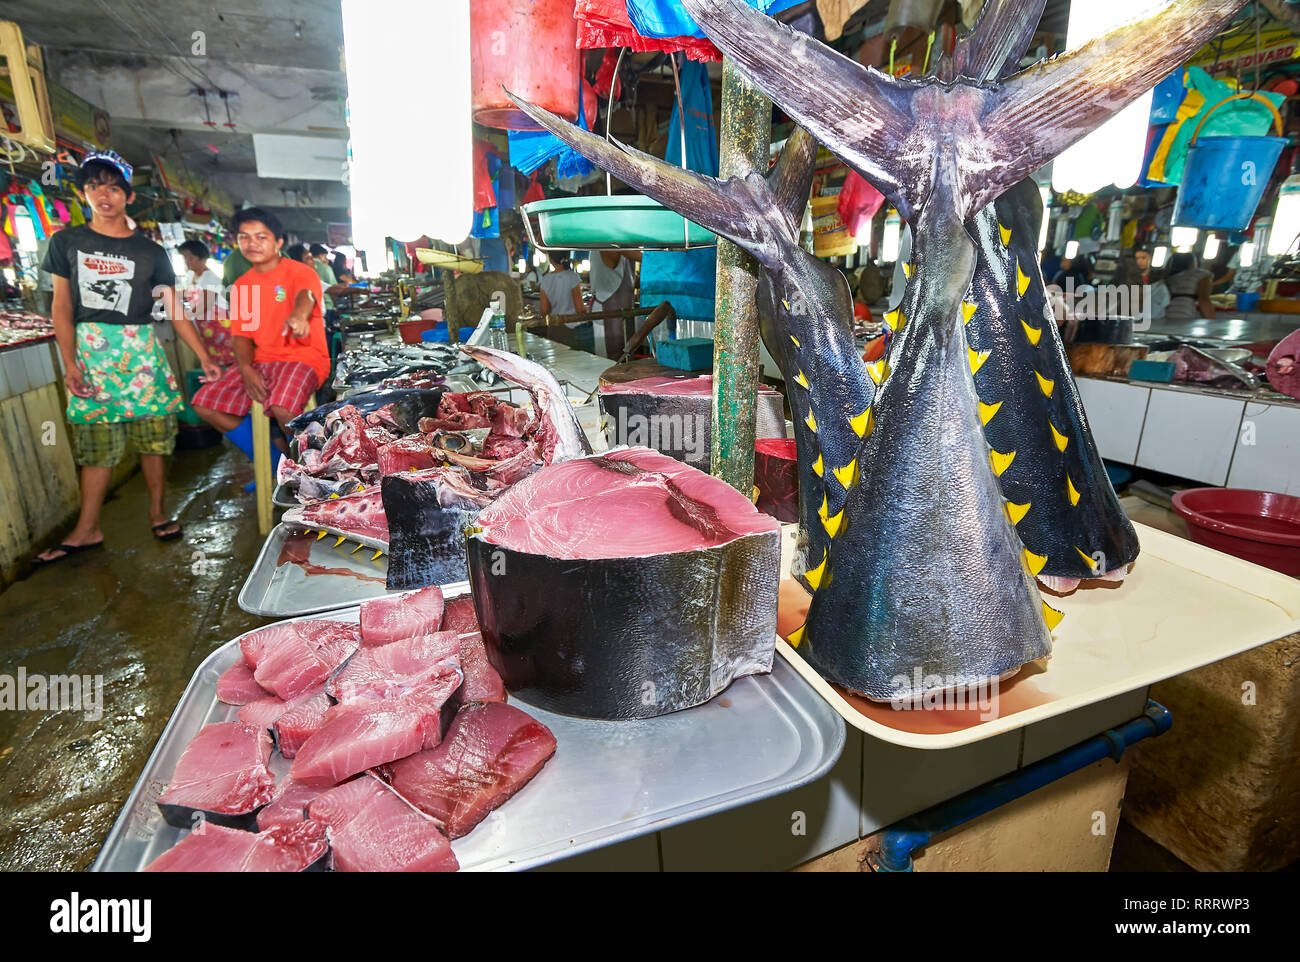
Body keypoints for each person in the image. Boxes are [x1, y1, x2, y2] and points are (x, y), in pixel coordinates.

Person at [35, 150, 221, 564]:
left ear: (127, 197)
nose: (104, 194)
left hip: (140, 351)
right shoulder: (66, 242)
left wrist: (204, 355)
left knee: (155, 440)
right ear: (84, 194)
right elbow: (61, 307)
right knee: (95, 444)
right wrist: (69, 362)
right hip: (90, 354)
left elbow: (174, 308)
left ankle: (158, 511)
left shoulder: (150, 251)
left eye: (113, 187)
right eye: (94, 186)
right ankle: (87, 528)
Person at [191, 207, 329, 453]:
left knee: (281, 407)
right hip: (260, 362)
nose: (251, 243)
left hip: (304, 359)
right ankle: (275, 461)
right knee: (204, 403)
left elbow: (305, 295)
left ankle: (314, 463)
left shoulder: (300, 272)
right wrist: (245, 368)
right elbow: (241, 336)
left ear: (278, 242)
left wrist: (298, 315)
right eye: (244, 237)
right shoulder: (243, 285)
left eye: (260, 237)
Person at [178, 239, 233, 368]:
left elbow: (204, 305)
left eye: (191, 257)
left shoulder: (210, 278)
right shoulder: (191, 278)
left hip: (220, 328)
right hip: (206, 329)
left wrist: (183, 318)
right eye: (185, 257)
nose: (187, 261)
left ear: (203, 259)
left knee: (226, 363)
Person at [590, 250, 640, 359]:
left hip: (623, 313)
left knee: (626, 355)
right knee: (608, 360)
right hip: (606, 310)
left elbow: (631, 281)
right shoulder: (608, 242)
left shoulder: (625, 248)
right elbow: (641, 256)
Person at [1164, 252, 1216, 321]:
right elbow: (1204, 300)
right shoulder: (1201, 274)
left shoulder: (1169, 278)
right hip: (1185, 310)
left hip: (1168, 313)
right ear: (1192, 263)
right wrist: (1212, 322)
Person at [309, 243, 350, 326]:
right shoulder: (326, 268)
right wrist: (336, 307)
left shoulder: (306, 269)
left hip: (312, 309)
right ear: (320, 255)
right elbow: (333, 289)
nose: (326, 260)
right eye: (325, 256)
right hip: (327, 307)